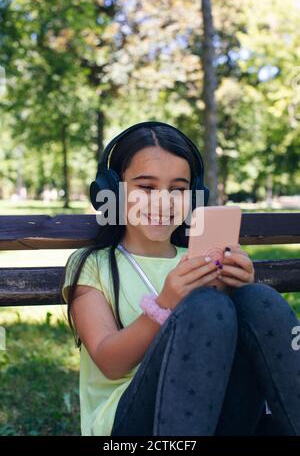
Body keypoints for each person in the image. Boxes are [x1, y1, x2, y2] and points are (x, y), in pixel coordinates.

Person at [60, 122, 300, 436]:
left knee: (257, 299)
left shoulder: (200, 258)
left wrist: (237, 291)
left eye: (178, 189)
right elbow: (110, 362)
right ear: (111, 191)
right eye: (146, 187)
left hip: (218, 412)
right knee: (203, 307)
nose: (164, 201)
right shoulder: (93, 265)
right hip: (129, 421)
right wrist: (163, 306)